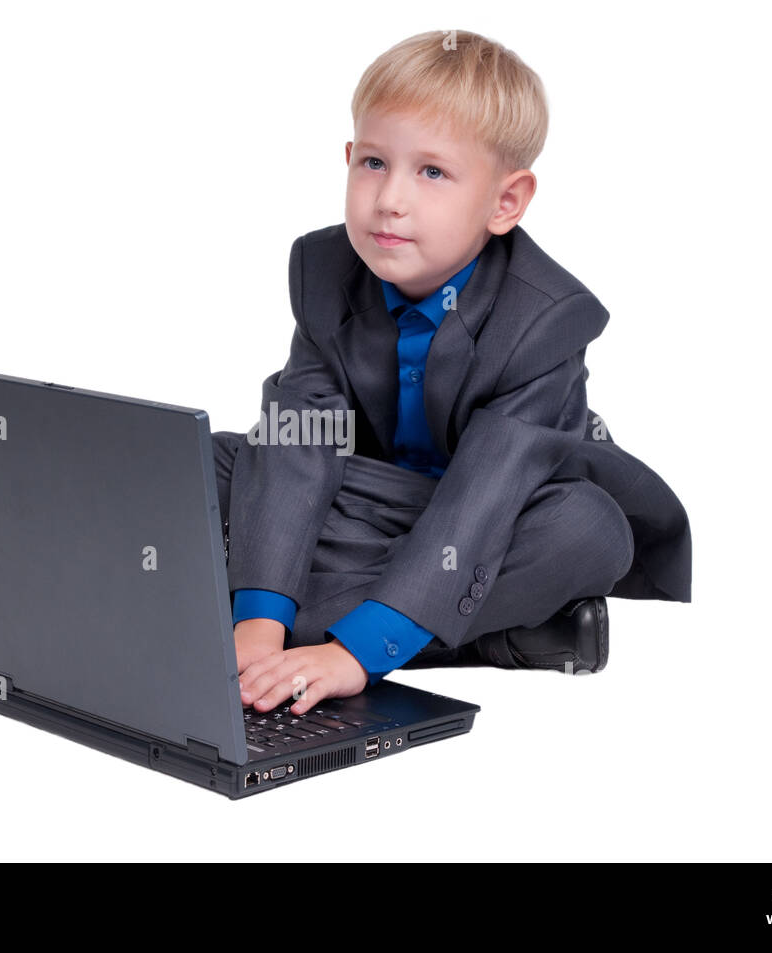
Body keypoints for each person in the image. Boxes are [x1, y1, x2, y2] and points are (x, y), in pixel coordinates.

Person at [215, 30, 692, 717]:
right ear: (348, 159)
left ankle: (352, 637)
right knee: (225, 460)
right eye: (375, 163)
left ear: (506, 202)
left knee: (590, 529)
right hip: (377, 505)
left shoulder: (545, 317)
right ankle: (499, 632)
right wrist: (259, 623)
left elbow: (480, 500)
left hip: (499, 513)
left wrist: (352, 654)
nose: (390, 199)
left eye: (432, 173)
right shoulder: (323, 273)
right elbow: (299, 445)